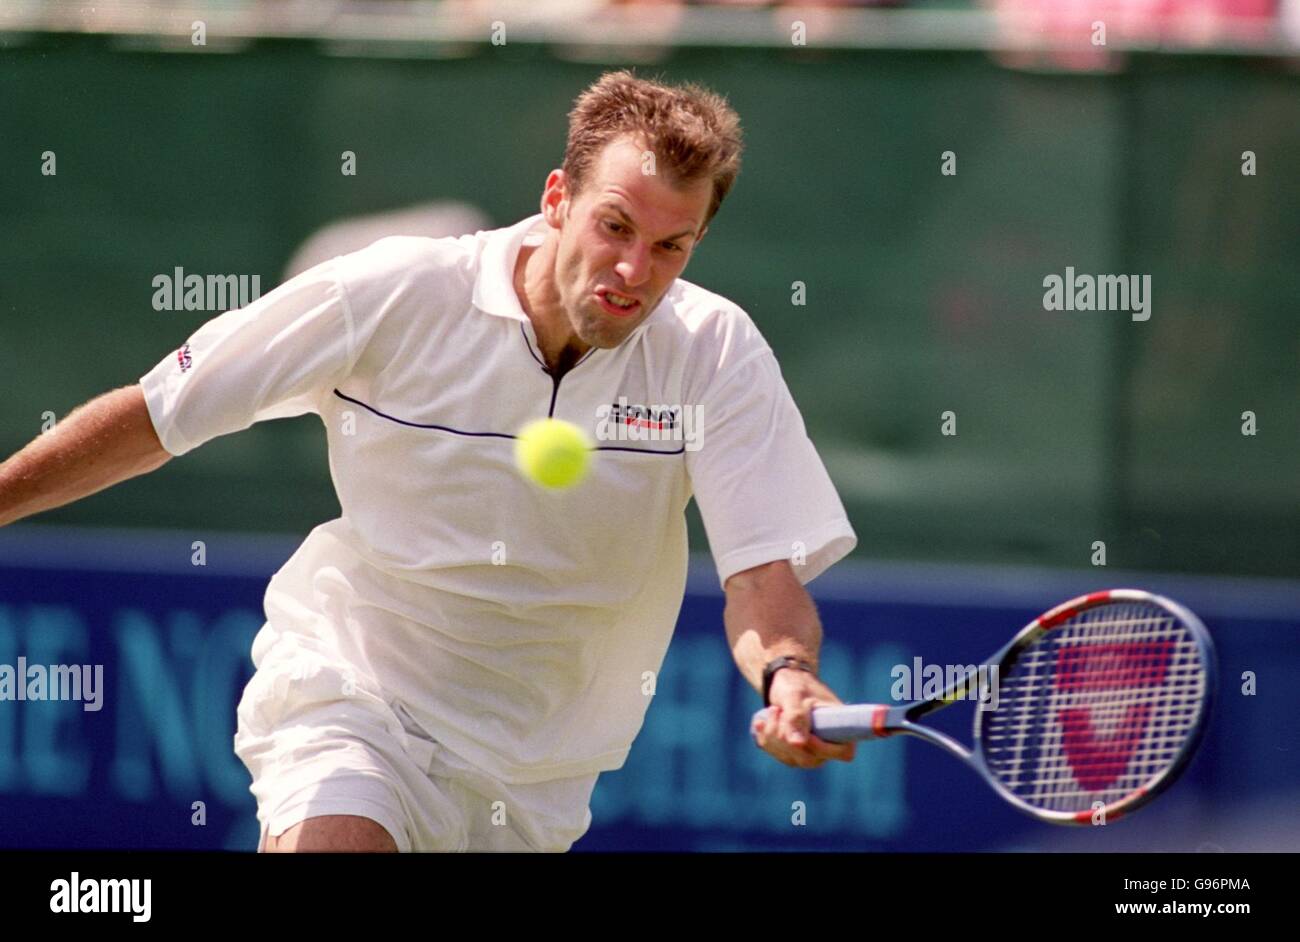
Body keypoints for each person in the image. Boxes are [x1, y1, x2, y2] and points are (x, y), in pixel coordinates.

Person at [0, 70, 858, 852]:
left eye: (671, 246)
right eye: (616, 225)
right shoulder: (393, 292)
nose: (634, 269)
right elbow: (157, 416)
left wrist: (788, 675)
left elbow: (761, 577)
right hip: (356, 694)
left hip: (536, 776)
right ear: (558, 199)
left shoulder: (715, 350)